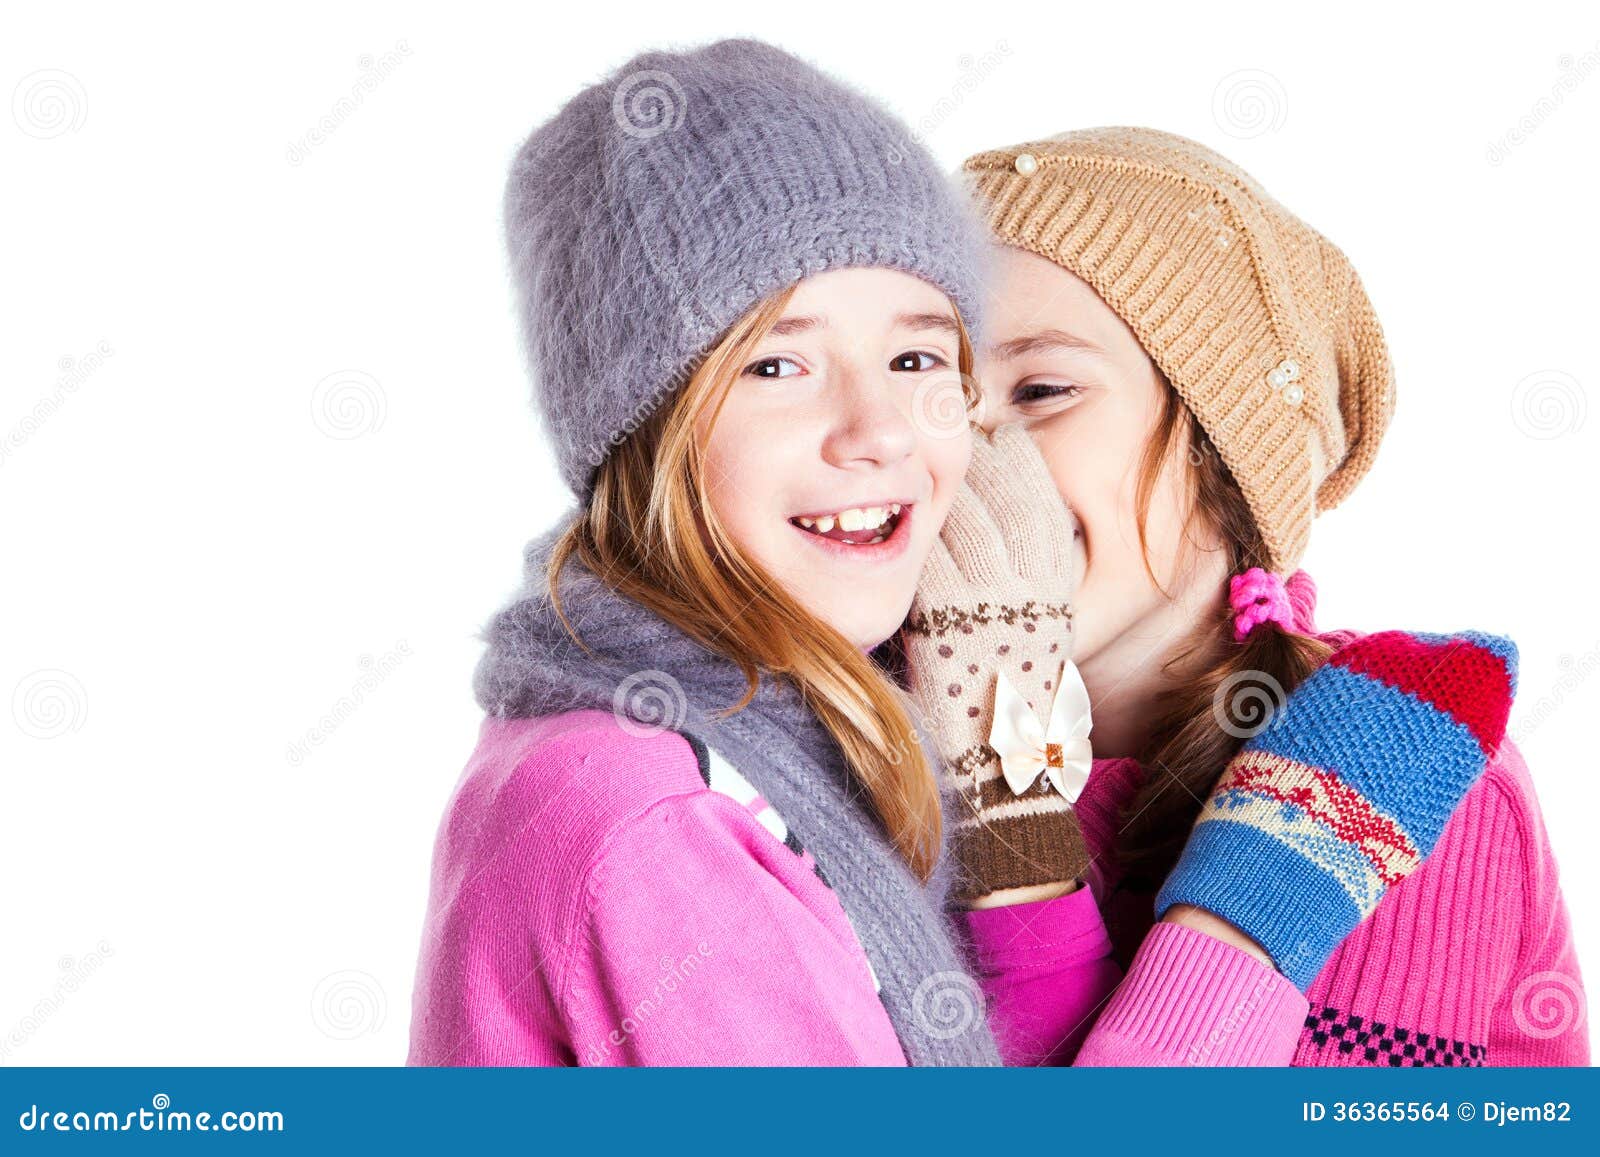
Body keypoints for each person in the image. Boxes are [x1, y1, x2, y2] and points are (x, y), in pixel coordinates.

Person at [924, 126, 1587, 1065]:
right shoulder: (902, 757)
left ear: (1224, 461)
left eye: (1041, 388)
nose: (965, 456)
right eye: (931, 395)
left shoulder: (1405, 780)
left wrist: (1014, 859)